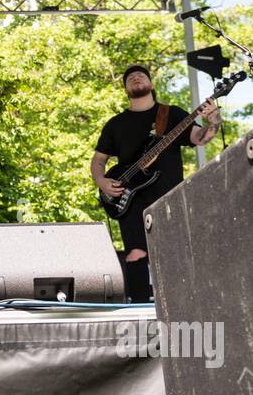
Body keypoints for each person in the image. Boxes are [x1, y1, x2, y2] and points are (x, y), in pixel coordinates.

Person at [91, 65, 220, 302]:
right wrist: (102, 182)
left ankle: (182, 304)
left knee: (174, 252)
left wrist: (213, 121)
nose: (136, 78)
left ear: (151, 84)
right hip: (129, 199)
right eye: (130, 78)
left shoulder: (171, 114)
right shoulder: (115, 124)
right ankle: (139, 308)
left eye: (141, 75)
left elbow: (201, 138)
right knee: (136, 253)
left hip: (168, 195)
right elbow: (98, 161)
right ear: (126, 90)